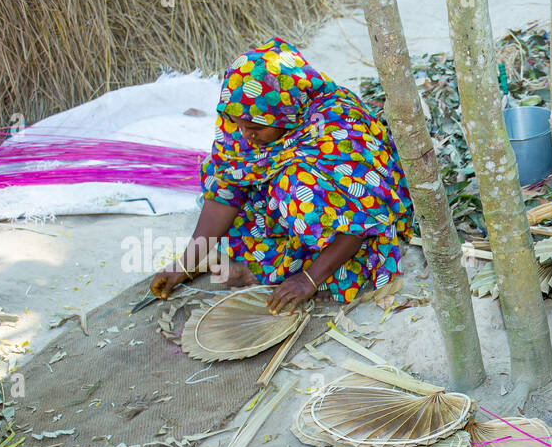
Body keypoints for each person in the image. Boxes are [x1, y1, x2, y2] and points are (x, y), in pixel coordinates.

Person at [151, 37, 414, 313]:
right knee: (221, 170)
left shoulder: (335, 127)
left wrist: (308, 279)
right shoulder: (242, 115)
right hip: (290, 214)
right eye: (239, 125)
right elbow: (224, 192)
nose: (245, 134)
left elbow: (362, 217)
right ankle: (279, 263)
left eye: (254, 128)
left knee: (298, 183)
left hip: (355, 230)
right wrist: (184, 265)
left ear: (284, 114)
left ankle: (317, 267)